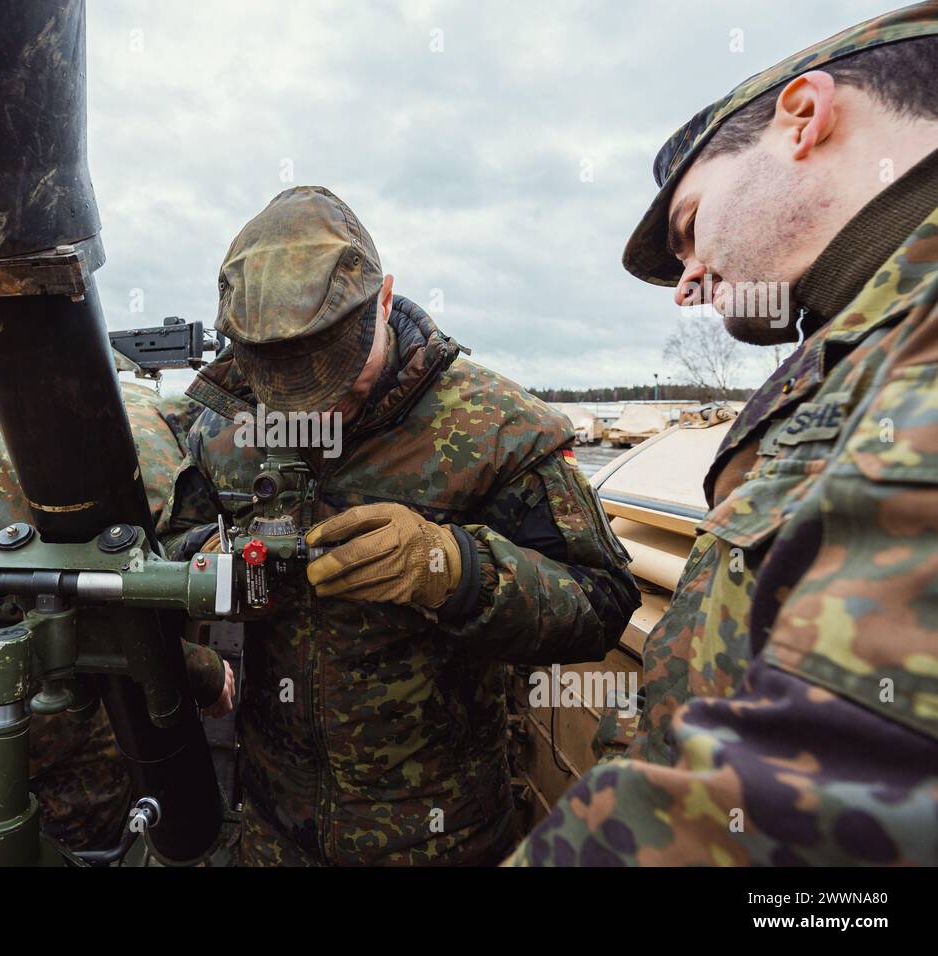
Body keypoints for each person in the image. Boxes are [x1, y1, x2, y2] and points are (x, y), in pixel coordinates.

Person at [508, 3, 938, 866]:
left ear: (804, 119)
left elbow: (826, 801)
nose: (688, 284)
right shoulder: (858, 343)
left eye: (688, 226)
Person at [159, 185, 640, 865]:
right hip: (273, 822)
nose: (320, 408)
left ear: (384, 300)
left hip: (440, 832)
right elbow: (167, 542)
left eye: (337, 380)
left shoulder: (497, 427)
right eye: (289, 389)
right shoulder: (217, 420)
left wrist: (451, 568)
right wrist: (208, 561)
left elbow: (601, 605)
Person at [0, 376, 232, 851]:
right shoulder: (154, 470)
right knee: (90, 750)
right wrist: (207, 672)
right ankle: (85, 846)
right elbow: (121, 609)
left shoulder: (139, 408)